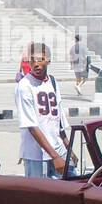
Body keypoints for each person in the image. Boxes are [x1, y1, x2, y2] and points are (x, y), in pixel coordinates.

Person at [16, 42, 72, 178]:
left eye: (40, 60)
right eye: (32, 60)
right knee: (40, 196)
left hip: (58, 150)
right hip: (36, 156)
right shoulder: (24, 86)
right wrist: (55, 157)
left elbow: (58, 120)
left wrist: (69, 149)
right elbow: (32, 126)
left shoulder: (52, 81)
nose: (36, 64)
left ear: (48, 60)